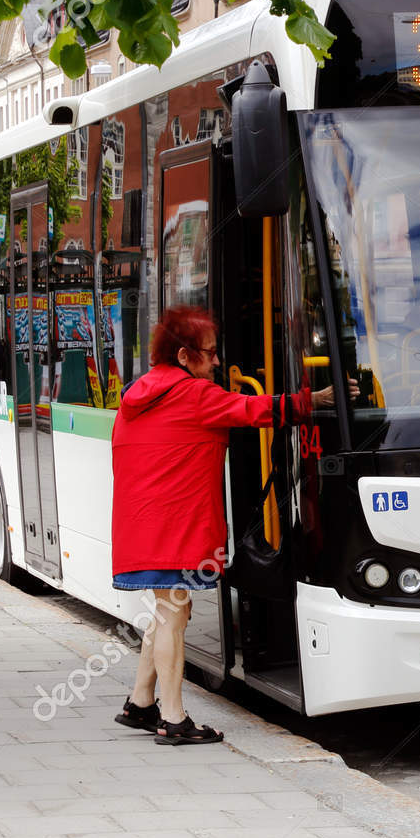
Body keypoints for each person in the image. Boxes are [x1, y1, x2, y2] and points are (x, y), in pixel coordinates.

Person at [111, 306, 355, 745]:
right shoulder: (191, 394)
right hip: (170, 528)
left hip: (143, 525)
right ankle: (174, 718)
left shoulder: (139, 394)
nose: (218, 361)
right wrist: (310, 401)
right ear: (185, 356)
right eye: (210, 353)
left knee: (170, 610)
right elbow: (250, 409)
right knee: (171, 617)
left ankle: (140, 702)